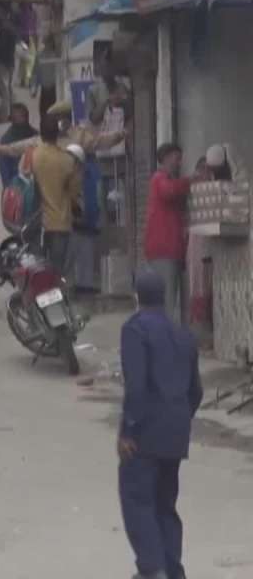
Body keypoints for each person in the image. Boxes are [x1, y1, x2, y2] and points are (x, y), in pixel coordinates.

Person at [118, 267, 203, 579]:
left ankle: (152, 569)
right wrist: (179, 419)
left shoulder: (135, 329)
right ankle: (172, 569)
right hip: (176, 433)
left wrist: (128, 430)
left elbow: (136, 386)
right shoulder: (183, 333)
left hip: (145, 433)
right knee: (165, 504)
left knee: (137, 500)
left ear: (137, 296)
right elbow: (196, 391)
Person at [188, 145, 241, 327]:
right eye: (204, 170)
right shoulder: (197, 188)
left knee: (216, 283)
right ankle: (205, 327)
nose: (207, 173)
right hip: (200, 241)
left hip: (221, 242)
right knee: (201, 282)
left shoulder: (229, 184)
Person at [144, 143, 193, 322]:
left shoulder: (170, 181)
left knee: (173, 301)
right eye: (176, 158)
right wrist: (191, 181)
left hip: (173, 251)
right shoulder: (159, 179)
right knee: (168, 301)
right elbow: (169, 191)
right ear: (164, 158)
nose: (179, 163)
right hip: (163, 250)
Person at [30, 114, 82, 276]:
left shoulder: (34, 155)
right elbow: (74, 194)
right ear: (58, 134)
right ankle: (54, 297)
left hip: (37, 222)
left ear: (41, 132)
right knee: (57, 269)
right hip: (60, 222)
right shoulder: (67, 161)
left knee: (38, 267)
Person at [67, 143, 102, 294]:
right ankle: (71, 287)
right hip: (71, 223)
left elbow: (97, 196)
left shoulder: (90, 173)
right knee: (70, 258)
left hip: (88, 221)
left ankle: (84, 287)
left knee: (86, 257)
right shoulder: (66, 175)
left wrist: (96, 217)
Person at [0, 104, 37, 186]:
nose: (22, 122)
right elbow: (5, 173)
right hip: (15, 187)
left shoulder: (35, 135)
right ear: (12, 121)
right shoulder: (6, 141)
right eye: (18, 120)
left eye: (24, 118)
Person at [0, 1, 18, 115]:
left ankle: (5, 114)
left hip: (4, 61)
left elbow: (1, 47)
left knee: (4, 89)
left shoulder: (4, 28)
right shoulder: (10, 26)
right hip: (10, 60)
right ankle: (12, 112)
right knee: (8, 88)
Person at [31, 34, 60, 118]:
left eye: (48, 42)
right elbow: (35, 73)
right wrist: (34, 88)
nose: (46, 45)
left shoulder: (57, 56)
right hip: (45, 90)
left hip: (55, 90)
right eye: (45, 42)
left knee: (54, 113)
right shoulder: (40, 56)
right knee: (43, 112)